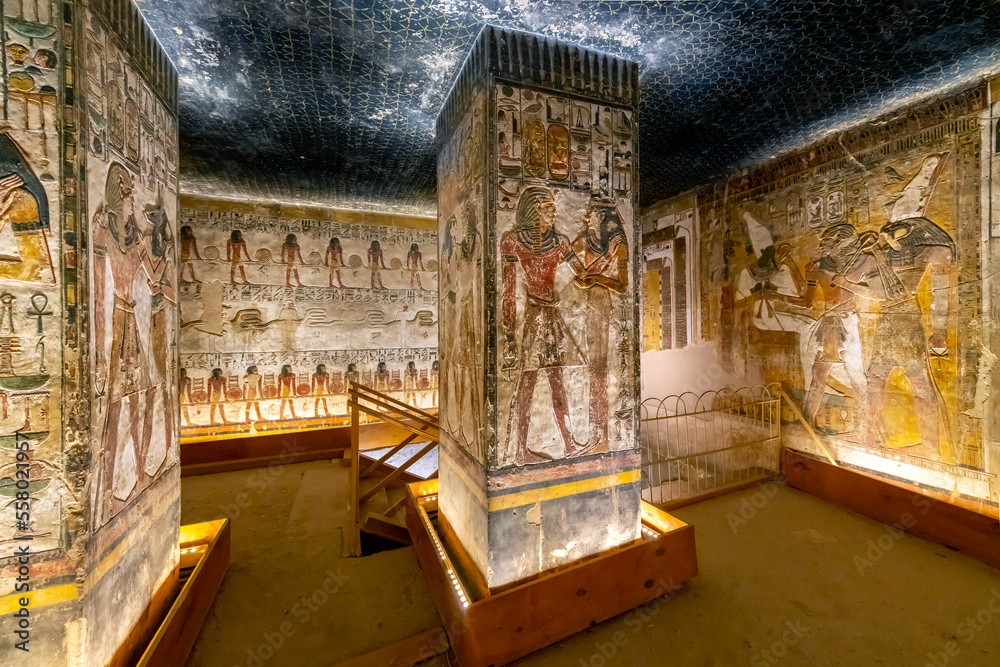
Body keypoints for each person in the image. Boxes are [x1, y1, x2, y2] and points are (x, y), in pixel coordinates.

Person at [500, 186, 591, 465]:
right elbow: (508, 290)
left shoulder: (561, 242)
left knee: (556, 380)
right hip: (533, 318)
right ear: (535, 210)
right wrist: (510, 335)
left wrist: (589, 246)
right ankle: (519, 450)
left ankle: (567, 443)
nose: (555, 212)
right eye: (549, 207)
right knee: (527, 383)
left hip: (551, 318)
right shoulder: (512, 241)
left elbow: (583, 276)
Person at [572, 197, 629, 449]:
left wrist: (596, 281)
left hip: (601, 304)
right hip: (581, 305)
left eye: (593, 214)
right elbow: (571, 268)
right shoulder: (582, 242)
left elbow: (622, 285)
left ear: (604, 219)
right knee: (586, 365)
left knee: (599, 367)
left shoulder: (618, 246)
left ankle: (600, 432)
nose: (587, 217)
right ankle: (592, 431)